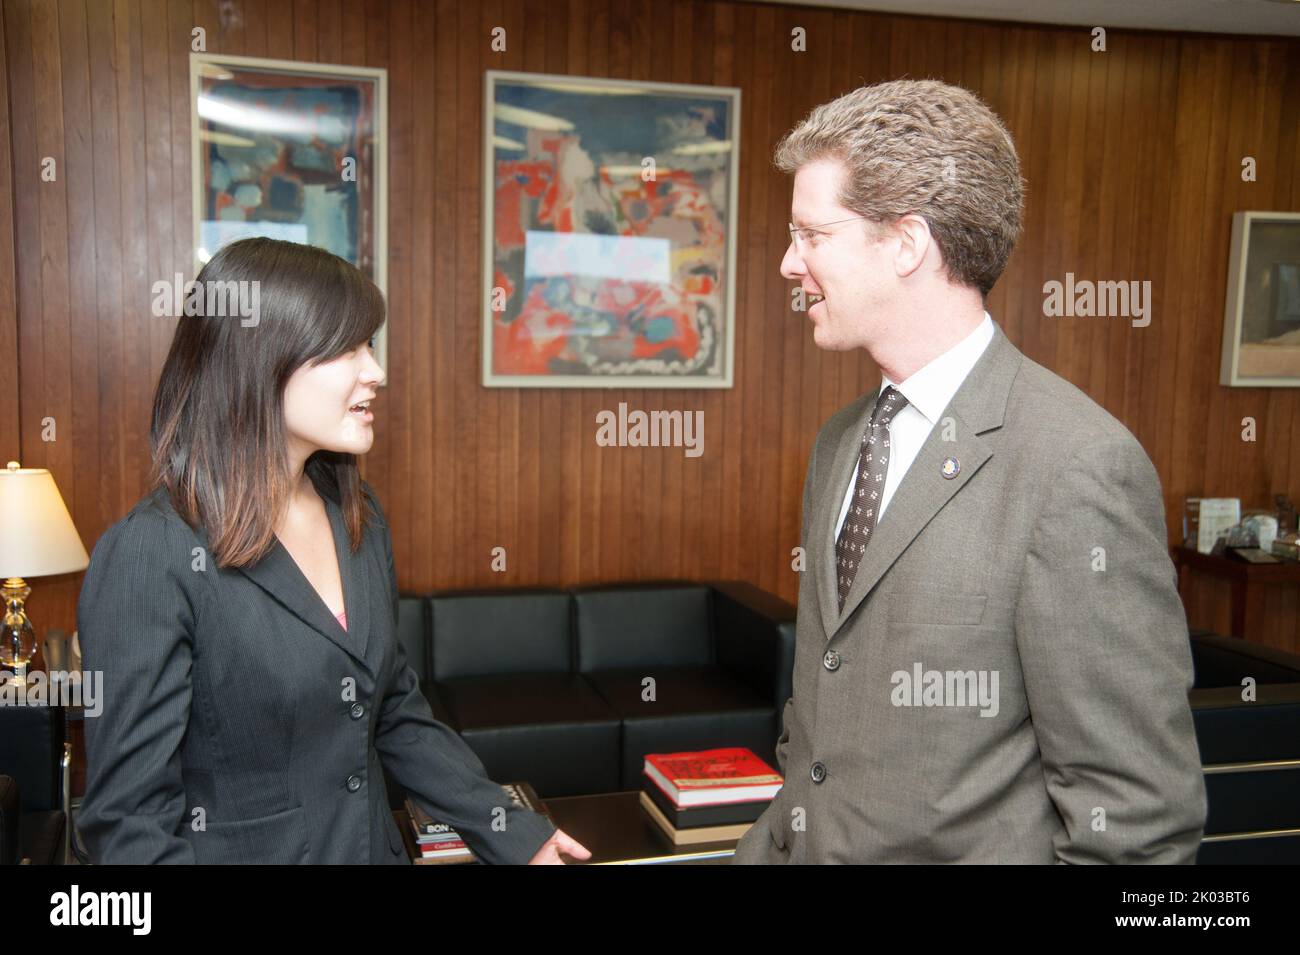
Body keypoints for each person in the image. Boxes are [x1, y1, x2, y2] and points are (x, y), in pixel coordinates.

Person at [731, 80, 1206, 864]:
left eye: (812, 234)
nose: (789, 263)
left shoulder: (1078, 466)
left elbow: (1136, 825)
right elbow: (819, 718)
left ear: (908, 242)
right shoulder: (840, 443)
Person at [77, 237, 590, 864]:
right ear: (259, 359)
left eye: (369, 344)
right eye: (347, 348)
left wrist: (512, 830)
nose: (376, 371)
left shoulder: (360, 518)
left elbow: (394, 709)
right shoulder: (149, 553)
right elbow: (128, 828)